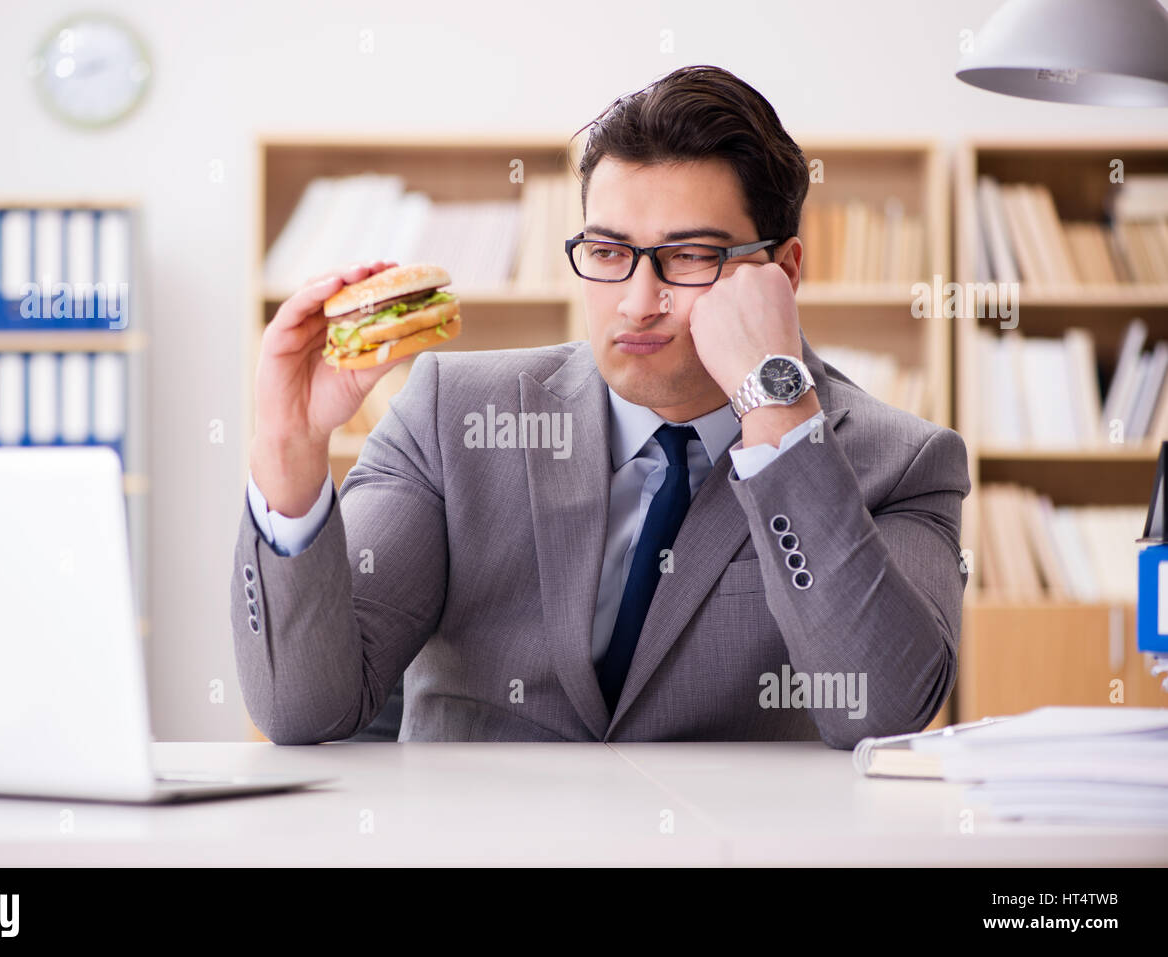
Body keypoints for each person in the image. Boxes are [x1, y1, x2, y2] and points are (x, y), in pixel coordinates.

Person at [231, 64, 970, 748]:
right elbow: (307, 709)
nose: (639, 303)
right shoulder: (448, 415)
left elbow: (878, 707)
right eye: (610, 253)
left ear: (781, 271)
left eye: (690, 257)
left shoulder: (902, 461)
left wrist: (773, 402)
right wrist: (288, 451)